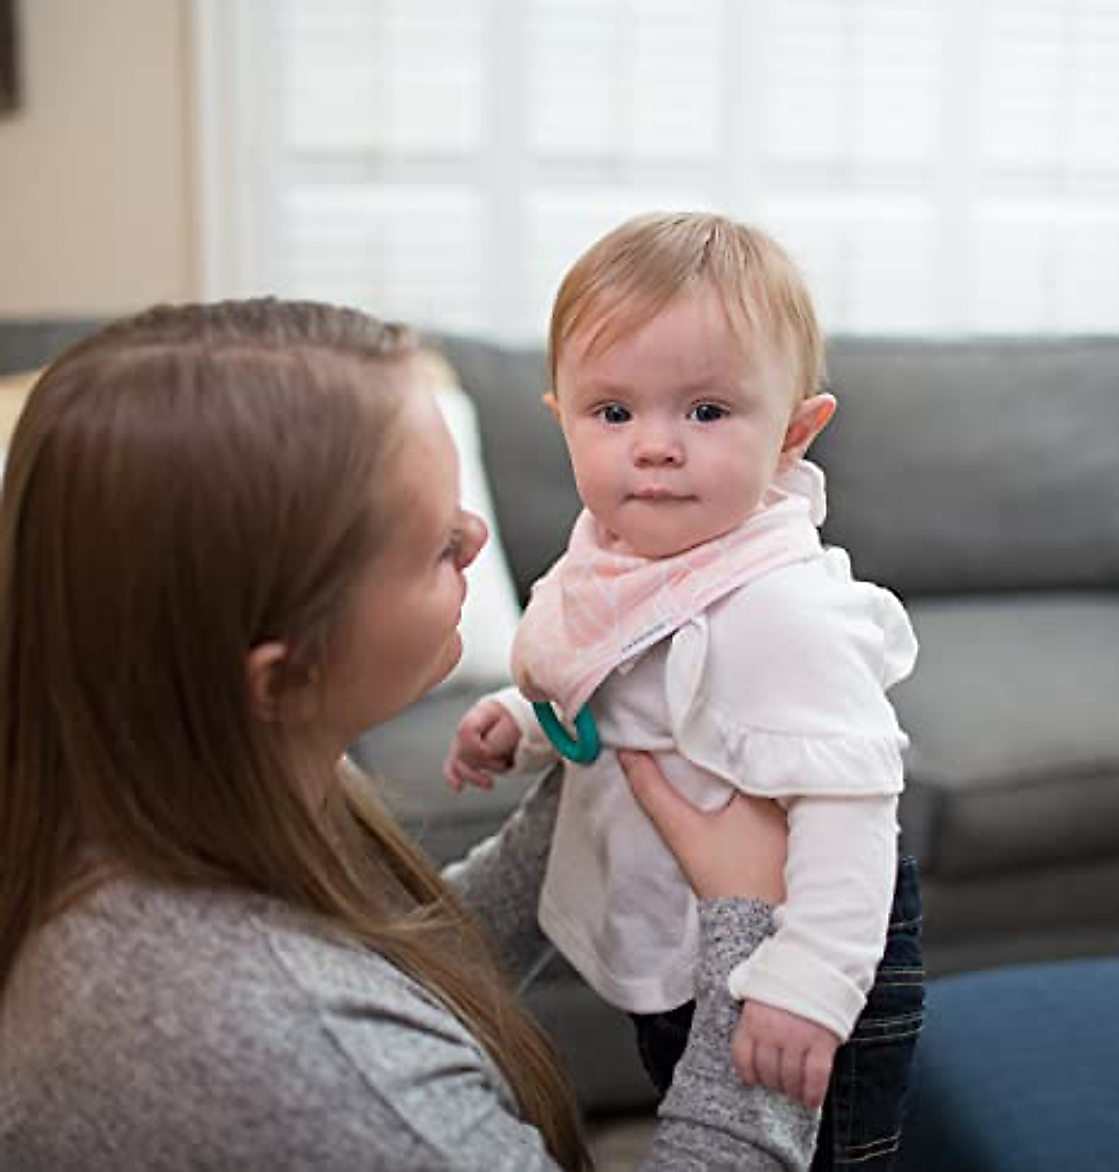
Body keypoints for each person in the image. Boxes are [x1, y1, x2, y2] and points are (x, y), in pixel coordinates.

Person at [0, 299, 822, 1170]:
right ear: (283, 676)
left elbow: (396, 964)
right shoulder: (302, 1065)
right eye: (436, 544)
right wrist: (759, 944)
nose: (477, 535)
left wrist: (616, 758)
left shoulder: (183, 788)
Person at [444, 212, 924, 1166]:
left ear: (793, 433)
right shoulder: (621, 551)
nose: (654, 446)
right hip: (693, 943)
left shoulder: (781, 609)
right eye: (613, 413)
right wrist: (524, 720)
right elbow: (622, 680)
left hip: (809, 953)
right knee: (682, 1084)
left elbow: (853, 810)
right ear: (563, 418)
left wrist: (808, 984)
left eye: (706, 412)